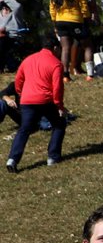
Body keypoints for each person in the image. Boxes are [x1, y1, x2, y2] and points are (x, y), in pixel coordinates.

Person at [7, 35, 70, 172]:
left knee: (24, 129)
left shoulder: (28, 59)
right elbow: (57, 88)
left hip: (27, 101)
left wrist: (21, 93)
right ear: (55, 48)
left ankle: (12, 159)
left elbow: (18, 80)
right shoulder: (56, 64)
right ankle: (53, 157)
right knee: (59, 124)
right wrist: (59, 106)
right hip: (45, 101)